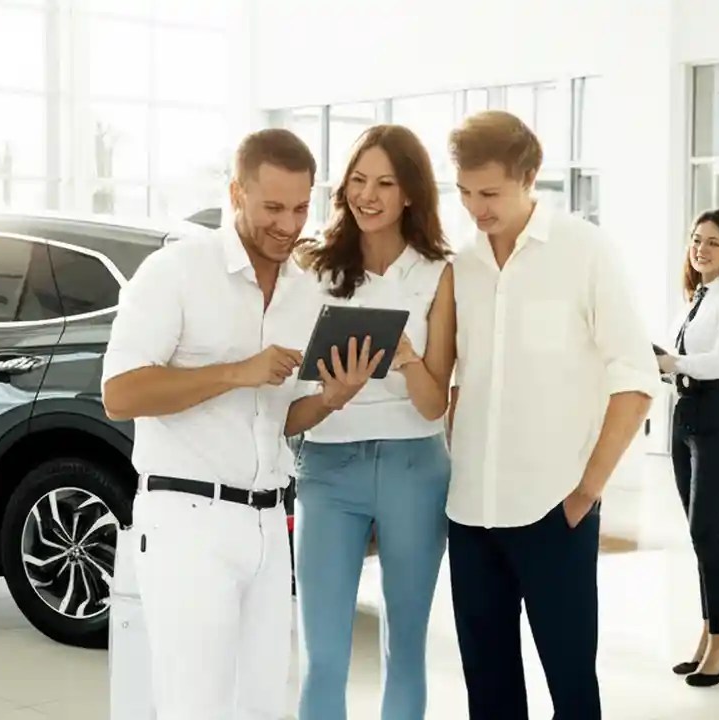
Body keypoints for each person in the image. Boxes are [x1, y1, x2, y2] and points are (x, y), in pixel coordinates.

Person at [100, 128, 380, 720]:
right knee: (195, 708)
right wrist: (237, 372)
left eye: (301, 208)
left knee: (263, 707)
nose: (288, 224)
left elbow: (283, 418)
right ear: (236, 193)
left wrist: (331, 398)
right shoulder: (175, 270)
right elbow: (120, 394)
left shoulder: (304, 293)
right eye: (272, 207)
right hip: (186, 522)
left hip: (267, 524)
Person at [445, 110, 662, 720]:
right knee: (487, 693)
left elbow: (636, 378)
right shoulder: (462, 265)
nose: (475, 208)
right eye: (464, 193)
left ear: (530, 176)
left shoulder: (583, 250)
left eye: (489, 193)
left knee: (571, 687)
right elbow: (461, 380)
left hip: (554, 510)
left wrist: (588, 490)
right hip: (470, 513)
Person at [286, 124, 455, 720]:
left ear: (411, 191)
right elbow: (291, 387)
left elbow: (436, 404)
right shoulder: (312, 265)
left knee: (404, 649)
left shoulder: (440, 271)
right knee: (324, 656)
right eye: (358, 180)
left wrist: (406, 358)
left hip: (416, 465)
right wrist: (333, 393)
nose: (369, 194)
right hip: (329, 466)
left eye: (385, 182)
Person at [656, 208, 719, 687]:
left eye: (713, 242)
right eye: (696, 240)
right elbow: (686, 363)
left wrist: (671, 359)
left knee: (708, 533)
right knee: (699, 536)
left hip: (718, 418)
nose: (701, 249)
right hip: (686, 416)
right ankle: (709, 631)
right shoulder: (695, 299)